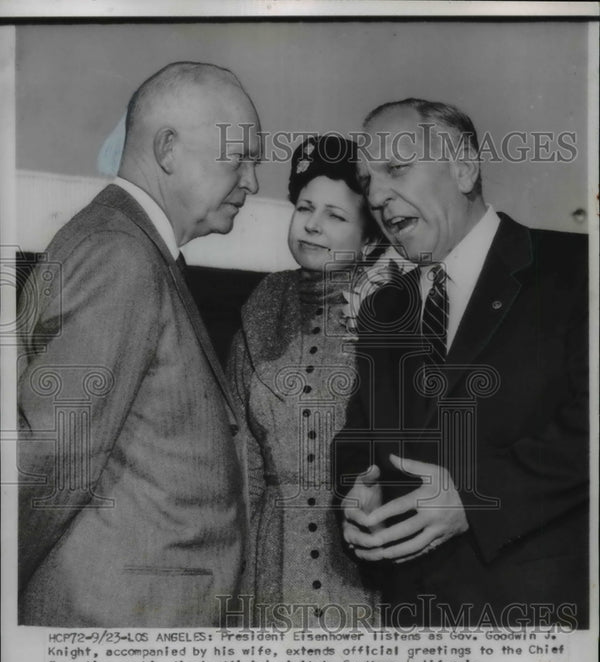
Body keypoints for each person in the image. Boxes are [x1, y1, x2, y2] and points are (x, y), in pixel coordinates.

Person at [17, 62, 262, 626]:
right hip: (114, 630)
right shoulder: (119, 254)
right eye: (238, 156)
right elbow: (51, 458)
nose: (252, 180)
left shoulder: (133, 247)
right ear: (168, 149)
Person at [335, 99, 588, 629]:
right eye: (367, 180)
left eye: (396, 169)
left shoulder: (578, 269)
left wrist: (475, 497)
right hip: (412, 624)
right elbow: (359, 438)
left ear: (465, 168)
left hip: (540, 626)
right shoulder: (384, 308)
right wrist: (357, 487)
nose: (377, 196)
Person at [228, 135, 385, 627]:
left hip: (361, 566)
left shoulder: (397, 311)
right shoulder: (261, 304)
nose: (312, 225)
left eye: (336, 216)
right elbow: (240, 457)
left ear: (370, 238)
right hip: (268, 563)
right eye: (304, 208)